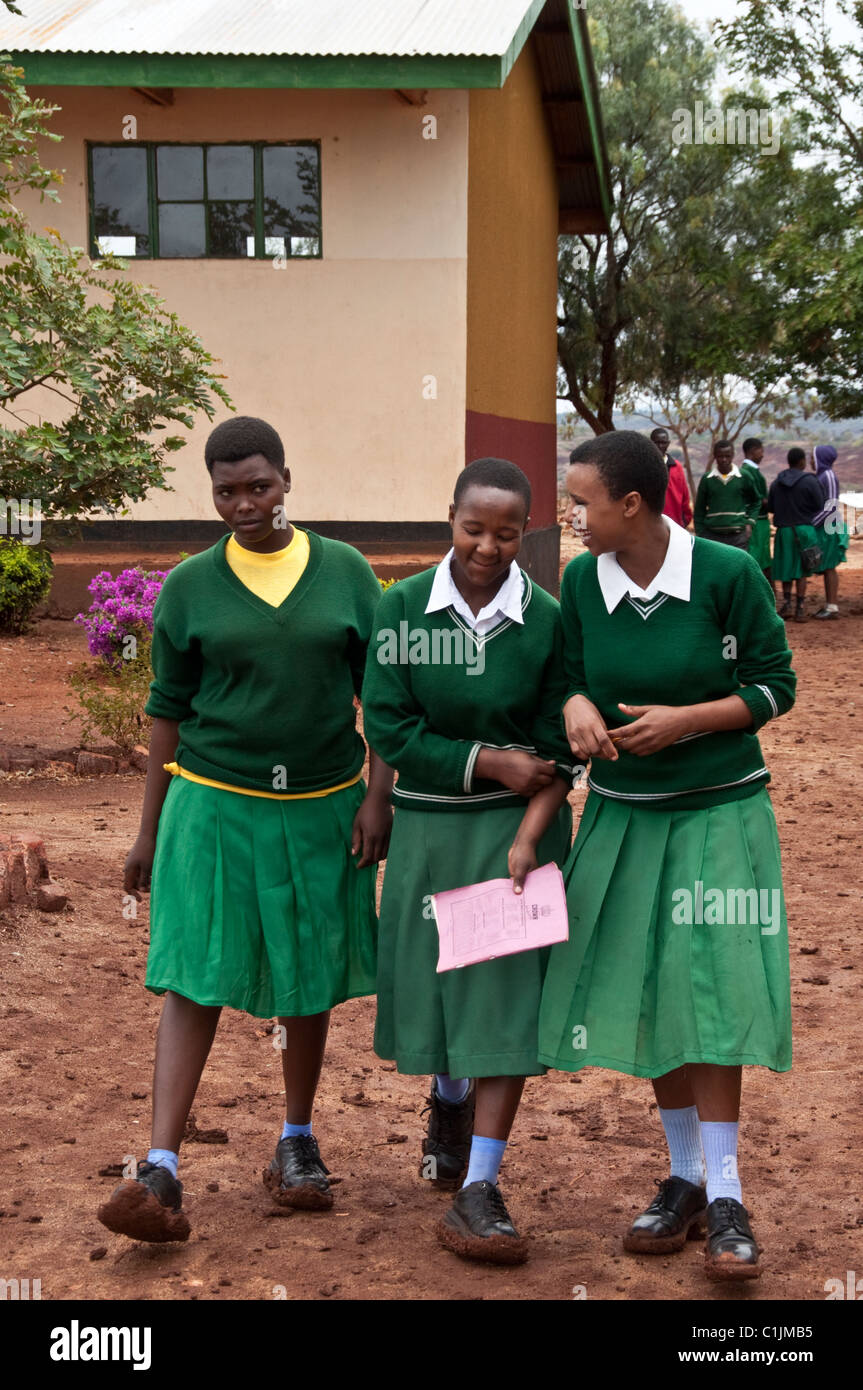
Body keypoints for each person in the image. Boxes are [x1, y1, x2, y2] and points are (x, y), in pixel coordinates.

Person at [98, 416, 393, 1243]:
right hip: (212, 804)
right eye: (226, 490)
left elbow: (383, 694)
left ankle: (297, 1140)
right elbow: (166, 711)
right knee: (194, 973)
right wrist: (146, 831)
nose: (243, 504)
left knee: (307, 973)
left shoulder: (344, 573)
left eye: (257, 486)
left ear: (286, 480)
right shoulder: (191, 585)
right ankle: (161, 1167)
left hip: (322, 805)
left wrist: (380, 797)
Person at [538, 430, 795, 1284]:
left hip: (718, 814)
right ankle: (683, 1177)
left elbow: (773, 687)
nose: (572, 518)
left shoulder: (726, 574)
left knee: (710, 986)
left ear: (631, 505)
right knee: (652, 987)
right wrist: (576, 703)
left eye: (581, 502)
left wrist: (685, 719)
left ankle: (726, 1192)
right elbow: (567, 670)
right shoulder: (580, 580)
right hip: (625, 816)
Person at [362, 457, 575, 1266]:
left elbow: (559, 735)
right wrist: (491, 760)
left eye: (506, 532)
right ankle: (447, 1100)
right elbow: (389, 723)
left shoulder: (549, 620)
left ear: (527, 530)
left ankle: (480, 1185)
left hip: (518, 833)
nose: (487, 547)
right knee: (440, 990)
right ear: (448, 518)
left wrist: (529, 819)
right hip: (430, 826)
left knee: (501, 1001)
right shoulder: (402, 607)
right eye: (472, 528)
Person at [767, 446, 825, 622]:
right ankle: (800, 607)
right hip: (804, 529)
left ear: (788, 461)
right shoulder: (810, 481)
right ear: (802, 462)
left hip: (784, 531)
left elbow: (770, 507)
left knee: (785, 567)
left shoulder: (777, 482)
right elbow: (820, 504)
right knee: (803, 568)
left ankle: (786, 604)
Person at [693, 439, 761, 548]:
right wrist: (701, 533)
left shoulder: (744, 476)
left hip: (738, 536)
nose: (724, 460)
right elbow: (699, 509)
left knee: (738, 565)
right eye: (720, 456)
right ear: (715, 456)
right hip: (712, 536)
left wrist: (749, 523)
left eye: (728, 456)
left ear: (733, 455)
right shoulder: (707, 479)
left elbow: (756, 501)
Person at [810, 444, 849, 620]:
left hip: (829, 527)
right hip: (824, 526)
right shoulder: (822, 476)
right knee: (825, 566)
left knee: (829, 567)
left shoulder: (828, 476)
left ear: (820, 459)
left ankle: (832, 607)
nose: (810, 460)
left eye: (813, 457)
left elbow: (831, 506)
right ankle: (830, 605)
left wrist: (812, 523)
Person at [741, 436, 774, 590]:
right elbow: (759, 500)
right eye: (761, 451)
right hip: (757, 521)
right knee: (758, 557)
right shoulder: (750, 472)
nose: (762, 455)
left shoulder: (749, 471)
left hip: (758, 521)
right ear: (753, 451)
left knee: (762, 556)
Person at [650, 427, 692, 529]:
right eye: (656, 443)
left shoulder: (676, 467)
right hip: (650, 525)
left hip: (675, 524)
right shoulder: (645, 466)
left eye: (663, 443)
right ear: (650, 443)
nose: (660, 446)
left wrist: (684, 520)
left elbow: (685, 497)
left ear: (668, 444)